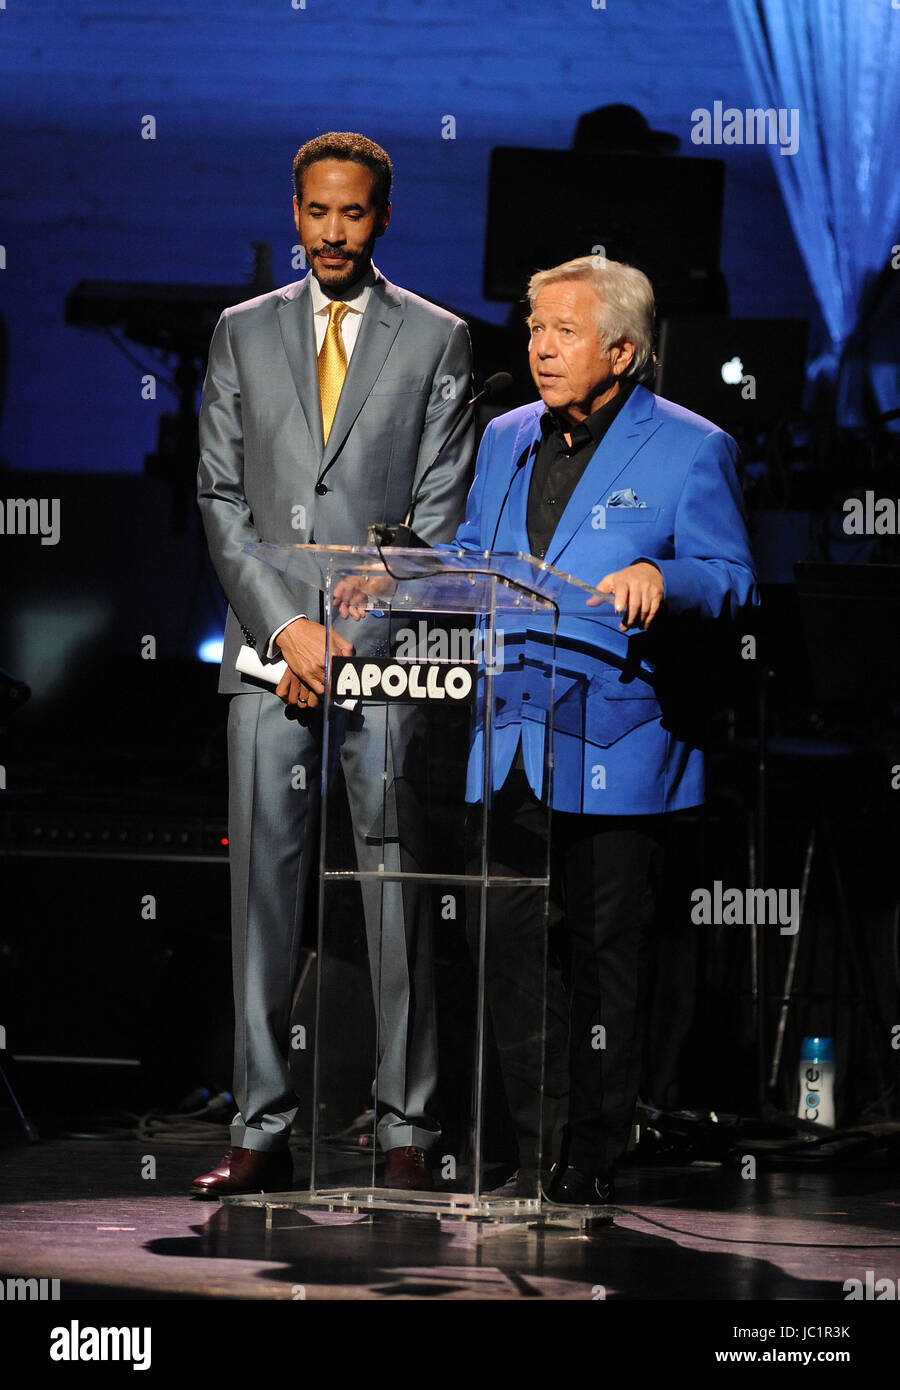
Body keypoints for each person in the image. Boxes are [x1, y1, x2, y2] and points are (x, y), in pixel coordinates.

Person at [193, 132, 474, 1196]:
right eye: (317, 211)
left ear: (382, 218)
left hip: (384, 666)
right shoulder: (241, 332)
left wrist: (352, 635)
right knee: (261, 900)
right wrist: (285, 630)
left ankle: (408, 1130)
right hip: (270, 664)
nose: (332, 232)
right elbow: (221, 500)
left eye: (353, 214)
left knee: (397, 892)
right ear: (295, 209)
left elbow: (438, 517)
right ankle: (258, 1131)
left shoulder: (438, 339)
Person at [452, 254, 758, 1204]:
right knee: (507, 952)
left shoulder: (691, 446)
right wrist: (397, 579)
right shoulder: (503, 436)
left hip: (615, 743)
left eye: (565, 331)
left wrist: (666, 581)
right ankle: (532, 1150)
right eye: (535, 326)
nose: (540, 346)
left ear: (622, 349)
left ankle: (590, 1157)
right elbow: (474, 557)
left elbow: (732, 574)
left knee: (602, 963)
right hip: (507, 738)